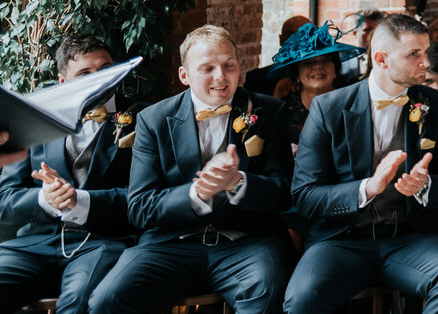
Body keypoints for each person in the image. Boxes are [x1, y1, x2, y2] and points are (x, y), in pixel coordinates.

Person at [91, 26, 293, 314]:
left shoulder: (269, 111)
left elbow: (284, 193)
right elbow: (139, 207)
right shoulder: (153, 120)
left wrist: (239, 183)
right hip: (171, 243)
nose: (221, 76)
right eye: (207, 68)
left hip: (248, 242)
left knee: (268, 291)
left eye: (229, 65)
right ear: (184, 75)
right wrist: (197, 193)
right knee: (107, 300)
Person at [282, 13, 438, 314]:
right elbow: (305, 196)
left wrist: (426, 187)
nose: (425, 62)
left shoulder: (436, 106)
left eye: (425, 53)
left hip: (410, 237)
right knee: (302, 298)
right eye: (414, 55)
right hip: (341, 241)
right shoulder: (328, 109)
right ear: (381, 59)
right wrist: (367, 188)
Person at [0, 36, 136, 314]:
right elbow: (4, 199)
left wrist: (82, 201)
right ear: (63, 81)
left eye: (106, 69)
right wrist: (44, 199)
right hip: (35, 243)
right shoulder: (31, 120)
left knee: (79, 304)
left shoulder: (144, 118)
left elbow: (144, 198)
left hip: (102, 243)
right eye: (85, 74)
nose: (99, 80)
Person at [268, 22, 362, 143]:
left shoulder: (353, 104)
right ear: (297, 74)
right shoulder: (282, 110)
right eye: (308, 62)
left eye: (325, 60)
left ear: (336, 69)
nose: (318, 67)